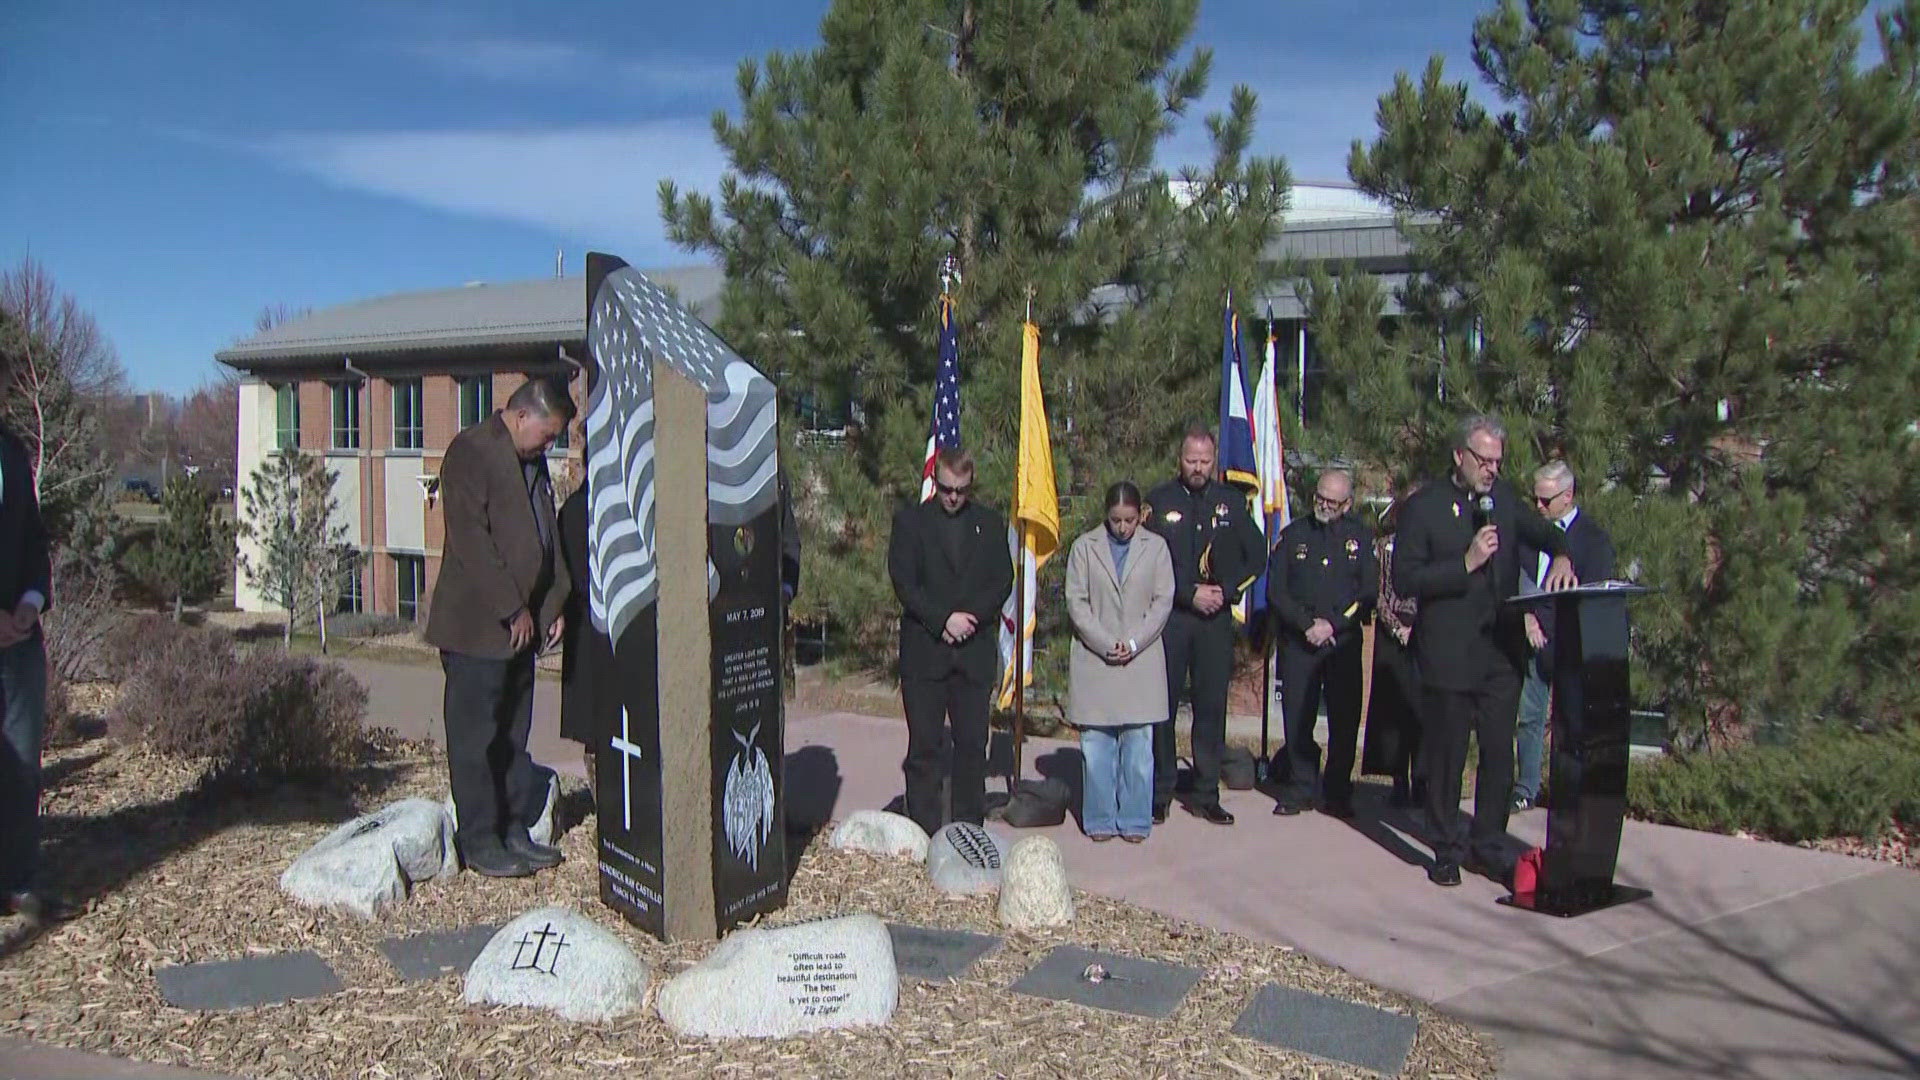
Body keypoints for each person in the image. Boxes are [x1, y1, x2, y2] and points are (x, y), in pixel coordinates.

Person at [1394, 415, 1576, 887]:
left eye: (1498, 460)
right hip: (1450, 653)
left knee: (1499, 754)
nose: (1491, 469)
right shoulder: (1425, 507)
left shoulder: (1505, 504)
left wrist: (1561, 554)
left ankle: (1488, 841)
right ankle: (1446, 849)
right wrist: (1465, 562)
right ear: (1459, 455)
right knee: (1448, 756)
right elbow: (1405, 580)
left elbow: (1549, 532)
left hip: (1501, 652)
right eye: (1483, 460)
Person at [426, 377, 573, 878]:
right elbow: (472, 542)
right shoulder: (472, 453)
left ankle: (512, 828)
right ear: (522, 415)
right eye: (548, 435)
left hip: (522, 633)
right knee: (476, 739)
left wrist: (553, 604)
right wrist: (512, 608)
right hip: (478, 630)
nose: (550, 445)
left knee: (513, 735)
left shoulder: (531, 464)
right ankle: (480, 839)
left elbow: (545, 537)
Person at [886, 448, 1013, 837]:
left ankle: (967, 830)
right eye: (946, 489)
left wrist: (968, 620)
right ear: (935, 482)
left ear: (970, 485)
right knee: (924, 748)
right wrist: (942, 620)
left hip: (972, 654)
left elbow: (1001, 580)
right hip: (927, 652)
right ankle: (923, 831)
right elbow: (904, 581)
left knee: (972, 747)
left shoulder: (990, 524)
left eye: (961, 489)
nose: (953, 497)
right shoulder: (911, 523)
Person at [1143, 425, 1264, 826]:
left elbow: (1256, 556)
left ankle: (1205, 792)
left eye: (1205, 461)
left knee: (1211, 707)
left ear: (1214, 461)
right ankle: (1160, 791)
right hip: (1173, 619)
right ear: (1179, 459)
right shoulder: (1158, 503)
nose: (1198, 468)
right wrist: (1186, 593)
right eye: (1191, 460)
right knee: (1163, 707)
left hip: (1214, 622)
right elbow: (1147, 563)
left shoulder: (1232, 502)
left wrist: (1225, 590)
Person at [1064, 482, 1174, 843]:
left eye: (1129, 520)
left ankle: (1135, 820)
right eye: (1116, 520)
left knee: (1139, 749)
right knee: (1096, 747)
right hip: (1096, 661)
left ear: (1140, 515)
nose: (1122, 527)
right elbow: (1076, 603)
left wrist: (1133, 641)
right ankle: (1099, 819)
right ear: (1106, 516)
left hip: (1140, 661)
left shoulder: (1156, 548)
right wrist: (1104, 642)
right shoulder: (1084, 548)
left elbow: (1162, 602)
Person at [1267, 468, 1377, 818]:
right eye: (1320, 498)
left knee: (1344, 720)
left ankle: (1338, 791)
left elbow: (1367, 593)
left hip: (1341, 643)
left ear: (1348, 503)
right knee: (1297, 715)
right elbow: (1277, 591)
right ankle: (1300, 787)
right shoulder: (1294, 534)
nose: (1324, 505)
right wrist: (1305, 624)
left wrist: (1334, 624)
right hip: (1300, 643)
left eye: (1332, 501)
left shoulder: (1361, 539)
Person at [1512, 460, 1614, 812]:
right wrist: (1527, 620)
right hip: (1533, 637)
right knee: (1529, 716)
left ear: (1567, 495)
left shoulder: (1593, 539)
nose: (1538, 507)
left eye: (1546, 500)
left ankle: (1568, 790)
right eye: (1535, 499)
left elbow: (1594, 595)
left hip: (1572, 644)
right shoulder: (1529, 533)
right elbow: (1515, 578)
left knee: (1571, 721)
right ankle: (1525, 788)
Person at [0, 414, 51, 922]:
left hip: (18, 643)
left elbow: (35, 540)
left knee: (20, 767)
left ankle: (16, 880)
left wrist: (31, 602)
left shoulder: (12, 452)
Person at [1359, 483, 1426, 808]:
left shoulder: (1434, 550)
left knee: (1423, 709)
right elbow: (1379, 592)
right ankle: (1398, 779)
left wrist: (1418, 627)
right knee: (1394, 709)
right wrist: (1397, 627)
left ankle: (1423, 781)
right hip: (1392, 633)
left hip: (1425, 633)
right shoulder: (1384, 547)